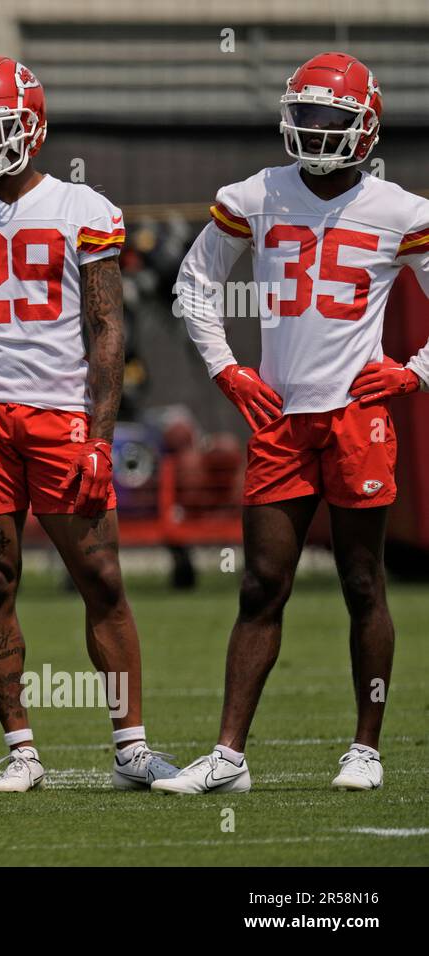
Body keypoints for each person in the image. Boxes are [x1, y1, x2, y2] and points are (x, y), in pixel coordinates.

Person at [160, 52, 428, 794]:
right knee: (259, 585)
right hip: (281, 418)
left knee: (363, 582)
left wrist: (413, 371)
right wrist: (227, 369)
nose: (314, 131)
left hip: (356, 419)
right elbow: (195, 282)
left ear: (366, 127)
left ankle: (366, 749)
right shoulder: (256, 194)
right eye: (304, 115)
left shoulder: (401, 210)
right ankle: (229, 757)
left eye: (331, 119)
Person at [0, 57, 179, 793]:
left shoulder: (83, 209)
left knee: (101, 577)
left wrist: (98, 436)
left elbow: (105, 331)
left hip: (60, 414)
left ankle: (131, 749)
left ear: (30, 125)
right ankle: (23, 750)